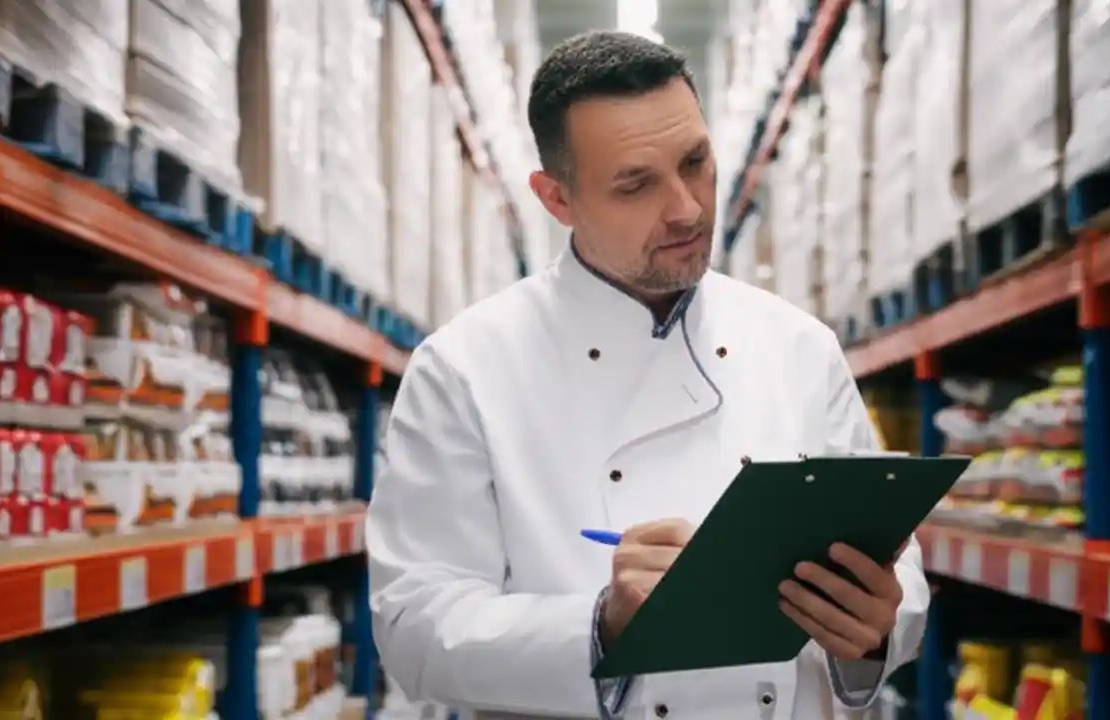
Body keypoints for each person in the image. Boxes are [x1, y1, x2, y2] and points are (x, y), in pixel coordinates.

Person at [367, 31, 929, 720]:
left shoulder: (800, 348)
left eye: (695, 162)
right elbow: (414, 627)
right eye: (635, 185)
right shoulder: (464, 369)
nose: (686, 208)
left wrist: (874, 633)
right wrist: (601, 626)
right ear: (557, 199)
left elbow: (895, 569)